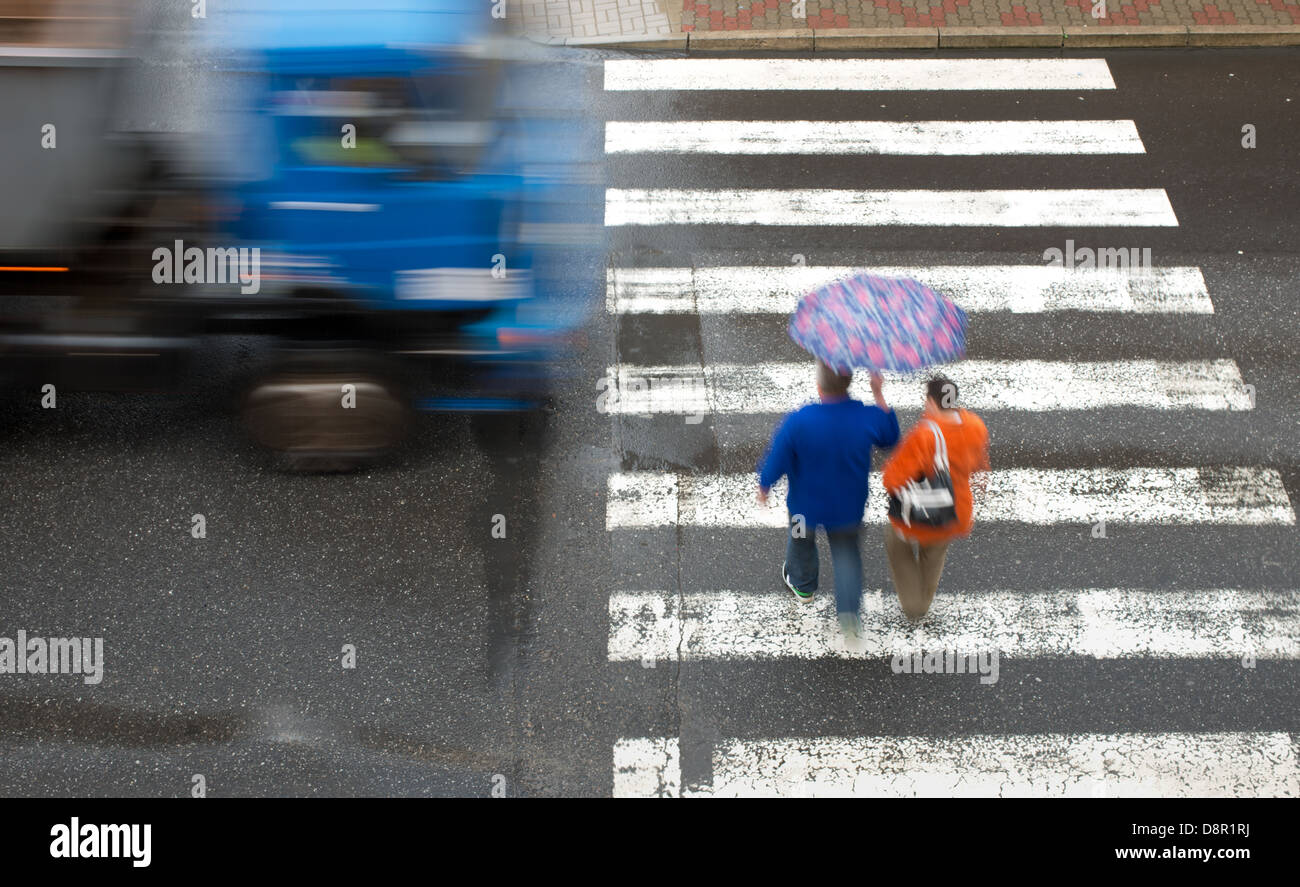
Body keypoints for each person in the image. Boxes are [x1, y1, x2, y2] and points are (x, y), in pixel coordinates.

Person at [757, 359, 900, 640]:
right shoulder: (866, 417)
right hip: (848, 508)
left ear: (819, 386)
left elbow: (778, 458)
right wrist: (878, 392)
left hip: (803, 509)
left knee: (800, 542)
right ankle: (848, 613)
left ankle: (803, 585)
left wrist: (765, 485)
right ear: (849, 385)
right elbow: (891, 439)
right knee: (847, 555)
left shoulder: (800, 420)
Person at [881, 376, 989, 622]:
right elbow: (975, 463)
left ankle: (914, 606)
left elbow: (892, 480)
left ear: (931, 401)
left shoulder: (925, 435)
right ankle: (925, 600)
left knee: (896, 542)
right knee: (935, 553)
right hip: (954, 513)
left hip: (918, 516)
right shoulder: (975, 426)